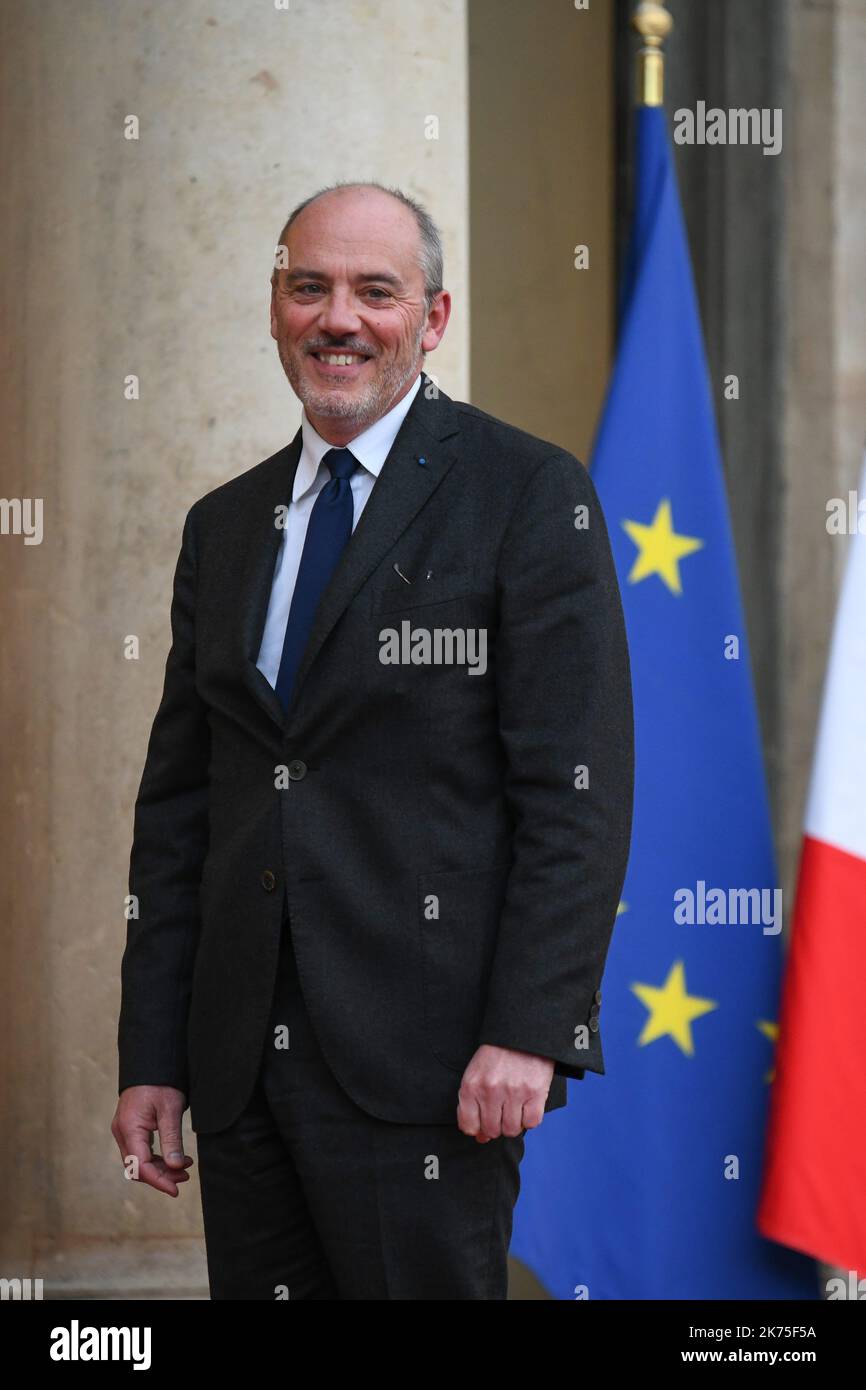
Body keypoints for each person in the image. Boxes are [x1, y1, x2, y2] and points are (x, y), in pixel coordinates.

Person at [112, 181, 634, 1300]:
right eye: (310, 287)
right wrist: (152, 1053)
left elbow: (575, 794)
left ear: (432, 318)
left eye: (374, 291)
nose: (337, 318)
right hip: (240, 1073)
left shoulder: (528, 493)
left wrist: (531, 1029)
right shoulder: (223, 526)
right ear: (275, 307)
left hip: (434, 1072)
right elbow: (182, 809)